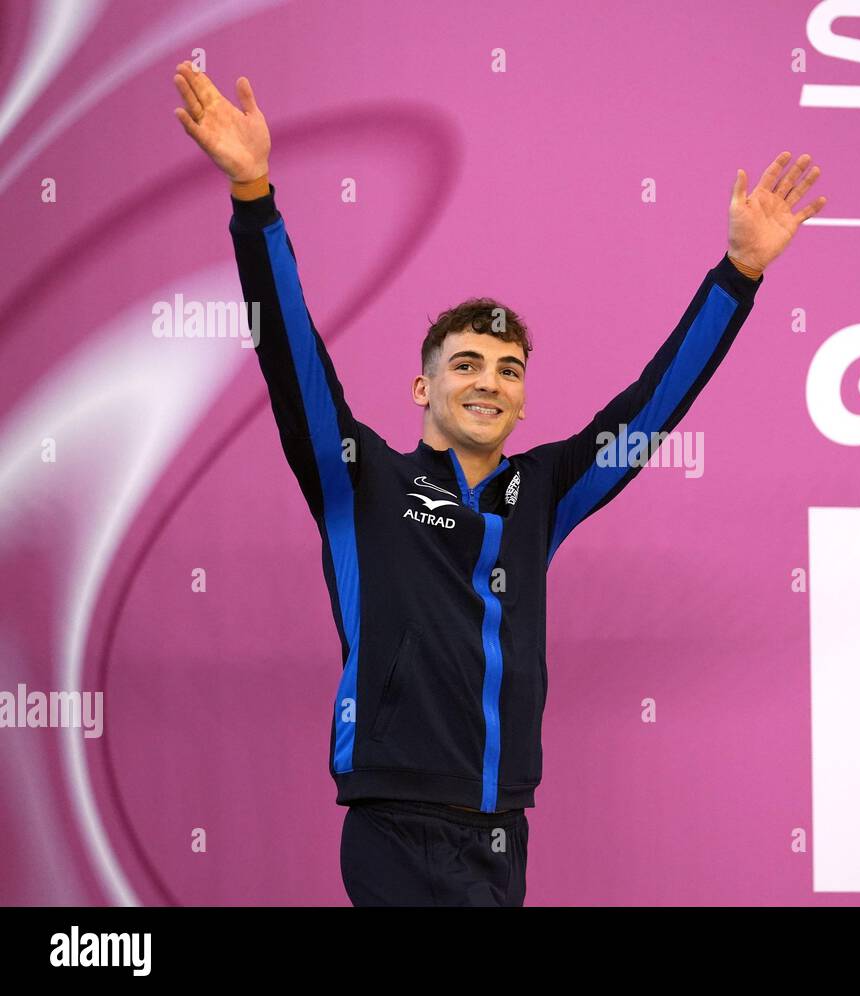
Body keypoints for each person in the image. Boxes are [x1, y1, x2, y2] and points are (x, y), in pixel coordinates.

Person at [171, 60, 826, 906]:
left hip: (500, 833)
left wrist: (737, 277)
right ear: (424, 388)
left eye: (509, 370)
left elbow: (650, 411)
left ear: (521, 401)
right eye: (467, 364)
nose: (489, 381)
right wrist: (254, 194)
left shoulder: (545, 490)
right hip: (392, 826)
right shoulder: (359, 479)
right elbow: (290, 351)